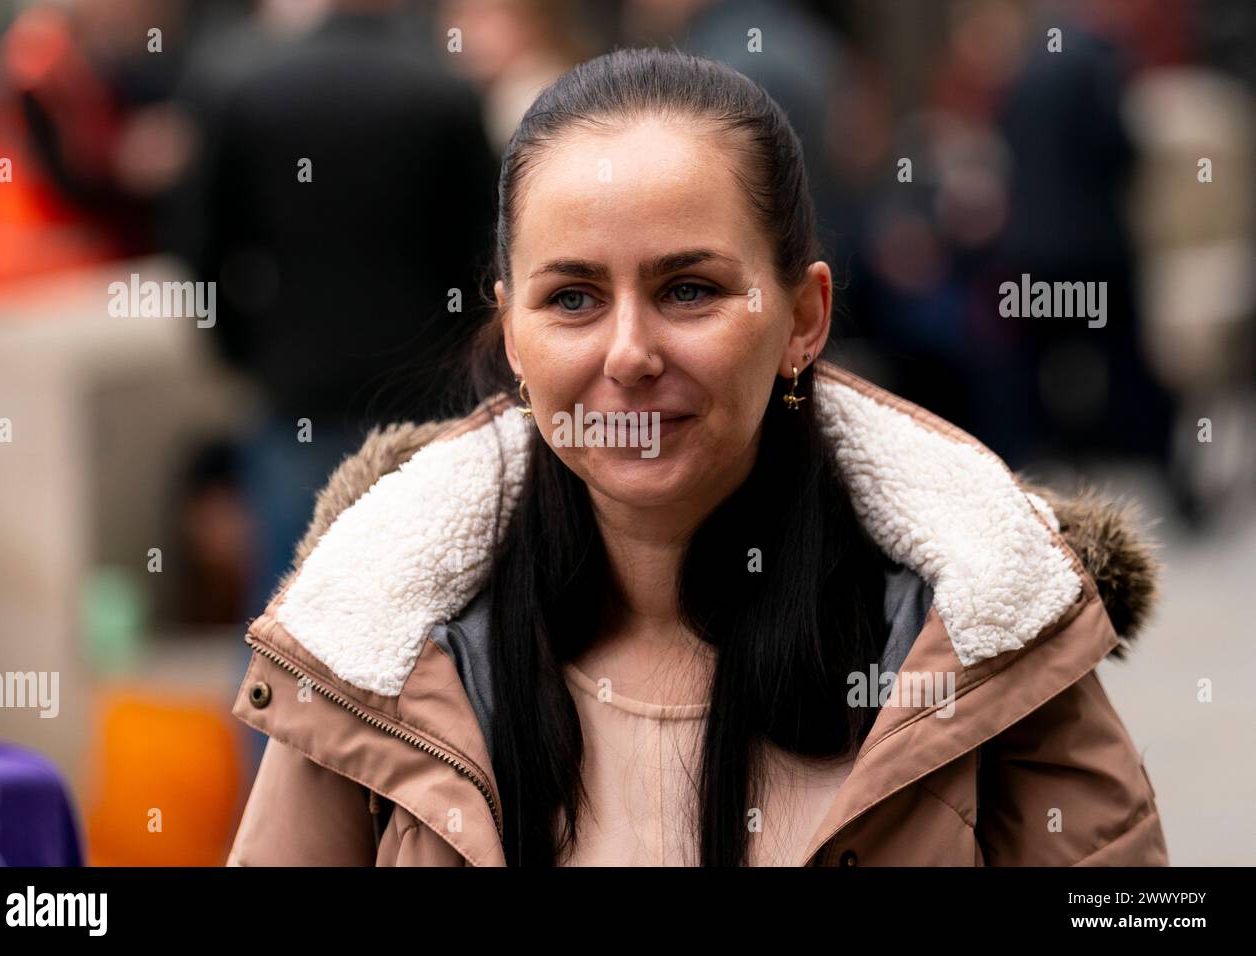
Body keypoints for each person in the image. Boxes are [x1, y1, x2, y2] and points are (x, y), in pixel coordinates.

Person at [226, 48, 1169, 866]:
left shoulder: (981, 642)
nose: (629, 355)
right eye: (572, 299)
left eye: (688, 289)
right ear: (510, 332)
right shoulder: (371, 649)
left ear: (803, 317)